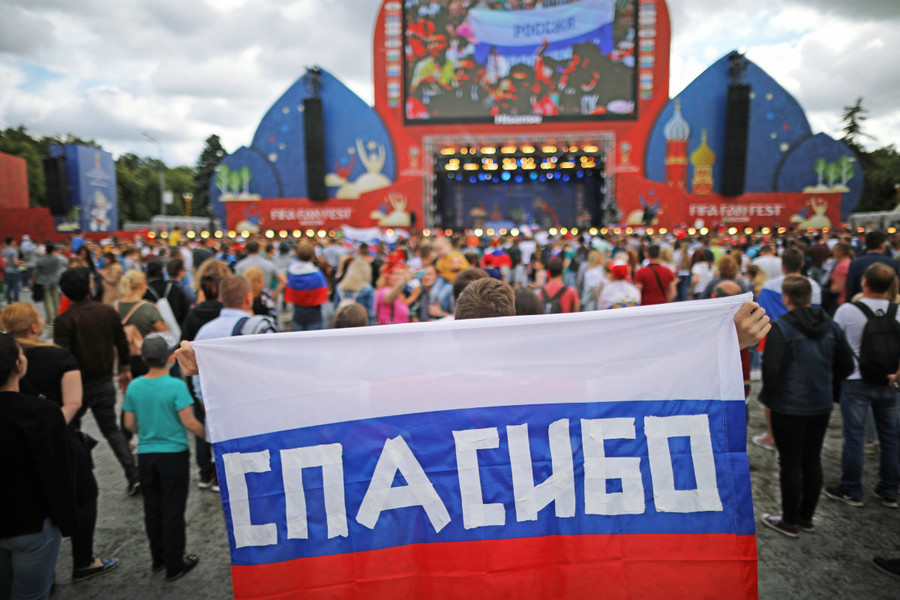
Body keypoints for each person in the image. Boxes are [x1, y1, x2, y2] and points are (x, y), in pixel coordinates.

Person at [758, 276, 853, 537]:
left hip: (788, 405)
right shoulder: (831, 326)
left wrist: (770, 397)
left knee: (789, 462)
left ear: (786, 298)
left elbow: (772, 368)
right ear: (810, 296)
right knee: (812, 460)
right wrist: (829, 389)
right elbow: (847, 365)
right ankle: (806, 518)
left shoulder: (781, 327)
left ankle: (789, 521)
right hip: (819, 403)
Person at [0, 332, 77, 599]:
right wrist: (66, 520)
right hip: (32, 523)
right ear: (18, 365)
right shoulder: (42, 412)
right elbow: (58, 472)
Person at [124, 333, 204, 582]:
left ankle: (158, 558)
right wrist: (210, 437)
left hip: (146, 455)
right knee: (173, 509)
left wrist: (146, 433)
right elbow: (189, 422)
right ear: (170, 358)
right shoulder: (176, 386)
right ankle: (174, 563)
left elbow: (129, 423)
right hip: (174, 455)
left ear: (144, 358)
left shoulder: (135, 386)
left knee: (152, 507)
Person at [54, 267, 140, 495]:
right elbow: (121, 341)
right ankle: (133, 473)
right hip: (103, 380)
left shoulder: (63, 320)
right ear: (90, 287)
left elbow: (62, 356)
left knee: (71, 429)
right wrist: (124, 368)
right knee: (111, 430)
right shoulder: (107, 312)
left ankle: (79, 475)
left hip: (75, 386)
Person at [825, 263, 900, 508]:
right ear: (891, 285)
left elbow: (835, 344)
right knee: (890, 437)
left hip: (856, 380)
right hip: (891, 381)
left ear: (864, 282)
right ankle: (890, 491)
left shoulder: (847, 310)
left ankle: (852, 489)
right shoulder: (898, 311)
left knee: (854, 437)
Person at [118, 269, 169, 379]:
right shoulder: (148, 308)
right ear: (142, 285)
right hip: (145, 359)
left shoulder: (116, 306)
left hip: (123, 359)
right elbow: (164, 332)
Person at [285, 242, 329, 331]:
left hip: (298, 313)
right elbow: (323, 296)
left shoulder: (292, 272)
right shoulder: (317, 274)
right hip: (314, 315)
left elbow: (290, 294)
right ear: (312, 256)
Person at [845, 230, 900, 301]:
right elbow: (896, 286)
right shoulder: (892, 263)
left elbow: (849, 288)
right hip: (886, 303)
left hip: (861, 302)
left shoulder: (855, 263)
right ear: (882, 245)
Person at [33, 243, 68, 323]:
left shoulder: (40, 260)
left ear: (45, 250)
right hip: (54, 281)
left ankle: (49, 318)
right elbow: (64, 263)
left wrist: (33, 281)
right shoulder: (56, 259)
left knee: (47, 301)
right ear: (52, 250)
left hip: (44, 282)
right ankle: (57, 316)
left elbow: (36, 272)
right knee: (56, 300)